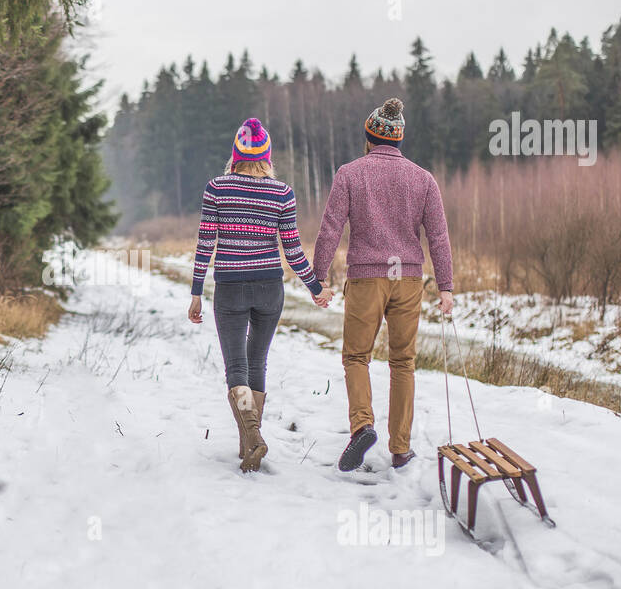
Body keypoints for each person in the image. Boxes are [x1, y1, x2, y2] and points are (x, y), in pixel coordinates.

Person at [310, 98, 454, 473]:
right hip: (407, 279)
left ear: (368, 138)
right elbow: (438, 237)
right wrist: (447, 287)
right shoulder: (423, 178)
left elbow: (330, 228)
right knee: (403, 362)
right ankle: (401, 449)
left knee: (357, 356)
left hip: (367, 277)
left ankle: (362, 426)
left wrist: (318, 278)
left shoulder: (350, 173)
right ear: (399, 141)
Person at [188, 117, 328, 472]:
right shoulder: (282, 193)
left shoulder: (216, 188)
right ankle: (249, 441)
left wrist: (195, 293)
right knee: (258, 363)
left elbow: (206, 243)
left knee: (237, 367)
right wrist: (315, 287)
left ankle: (252, 438)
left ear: (235, 155)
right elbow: (293, 250)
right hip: (269, 288)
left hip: (231, 288)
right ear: (266, 155)